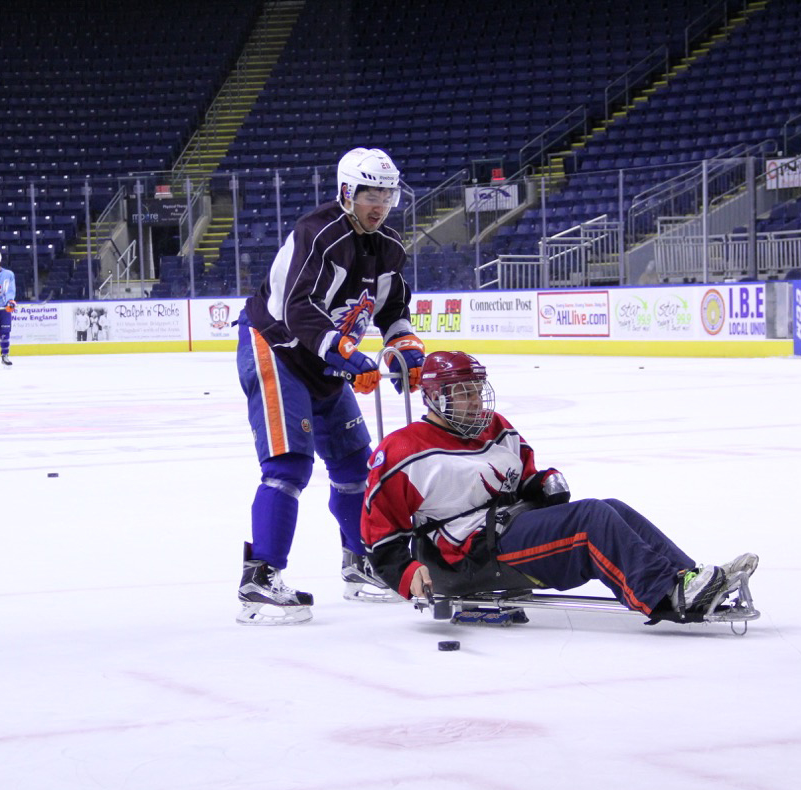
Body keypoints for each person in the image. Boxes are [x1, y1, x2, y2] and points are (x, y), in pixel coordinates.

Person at [361, 351, 758, 625]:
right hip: (471, 558)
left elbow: (524, 475)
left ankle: (688, 579)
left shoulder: (496, 426)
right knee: (591, 520)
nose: (475, 399)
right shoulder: (403, 450)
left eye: (476, 389)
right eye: (463, 391)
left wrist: (542, 483)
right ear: (434, 397)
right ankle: (666, 594)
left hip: (509, 529)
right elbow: (380, 531)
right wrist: (406, 572)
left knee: (610, 505)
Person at [235, 147, 427, 625]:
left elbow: (392, 310)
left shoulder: (390, 246)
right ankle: (260, 580)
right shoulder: (315, 233)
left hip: (326, 358)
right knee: (288, 464)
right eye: (368, 193)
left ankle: (360, 561)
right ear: (346, 192)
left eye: (387, 193)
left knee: (353, 464)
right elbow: (297, 309)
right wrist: (347, 356)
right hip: (276, 347)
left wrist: (404, 345)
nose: (378, 203)